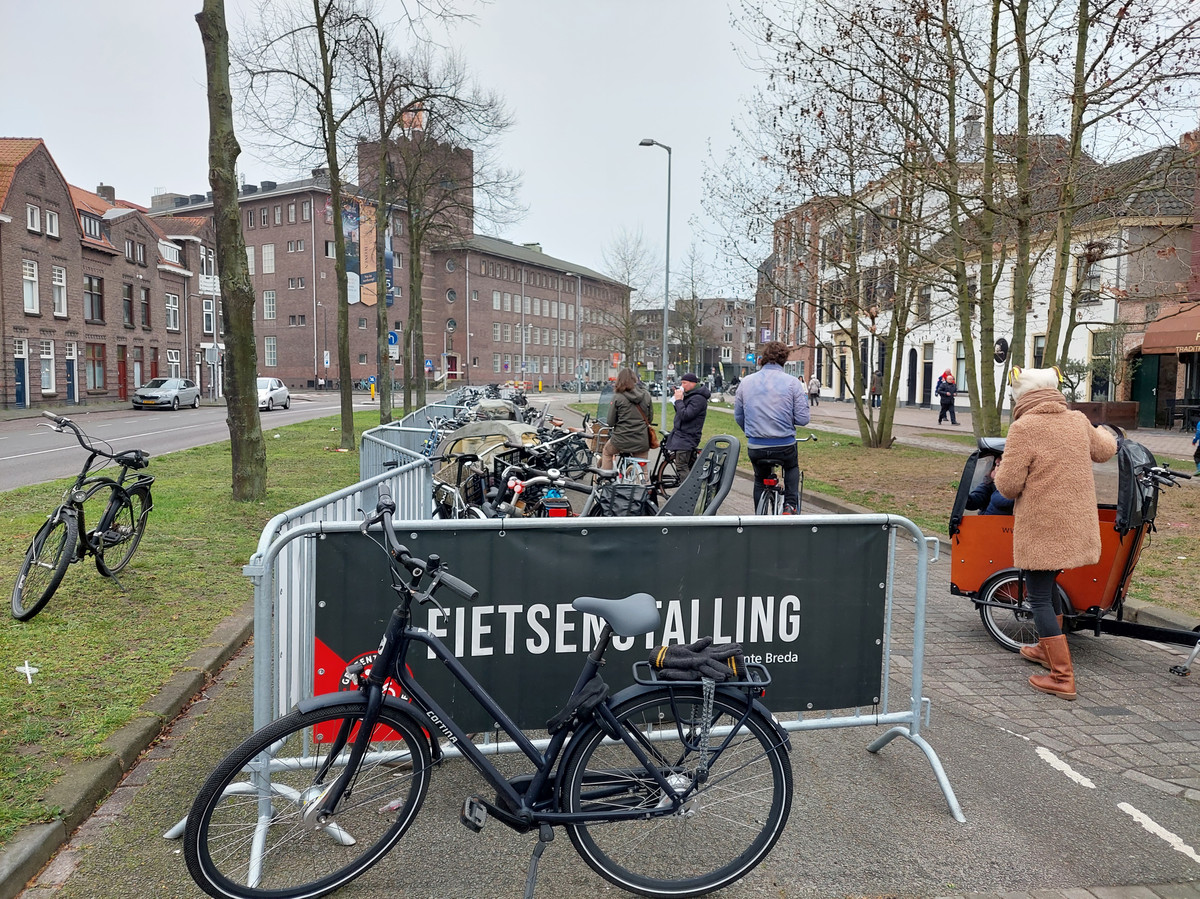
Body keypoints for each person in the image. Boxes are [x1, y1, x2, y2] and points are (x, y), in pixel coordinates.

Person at [993, 366, 1117, 701]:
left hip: (1043, 528)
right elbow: (1105, 450)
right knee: (1045, 589)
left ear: (1022, 396)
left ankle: (1062, 677)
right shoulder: (1076, 420)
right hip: (1075, 526)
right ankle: (1046, 650)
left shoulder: (1024, 427)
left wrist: (996, 473)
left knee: (1037, 596)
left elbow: (1007, 487)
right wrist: (1104, 430)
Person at [733, 340, 811, 514]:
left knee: (759, 480)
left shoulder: (746, 382)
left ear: (762, 359)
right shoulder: (792, 383)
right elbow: (803, 418)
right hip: (784, 445)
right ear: (784, 360)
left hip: (756, 445)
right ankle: (790, 505)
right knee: (791, 467)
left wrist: (752, 431)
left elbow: (738, 415)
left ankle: (758, 515)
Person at [601, 367, 654, 470]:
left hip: (621, 440)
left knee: (607, 453)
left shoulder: (618, 397)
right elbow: (650, 418)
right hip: (641, 440)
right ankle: (644, 482)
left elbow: (610, 422)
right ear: (635, 379)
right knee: (643, 468)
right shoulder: (646, 395)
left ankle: (606, 479)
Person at [664, 373, 710, 479]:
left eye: (685, 383)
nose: (682, 386)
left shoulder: (698, 398)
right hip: (682, 434)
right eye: (682, 383)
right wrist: (677, 401)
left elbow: (686, 415)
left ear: (693, 383)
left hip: (687, 436)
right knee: (686, 465)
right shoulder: (690, 395)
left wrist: (679, 400)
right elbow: (681, 413)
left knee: (681, 466)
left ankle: (687, 493)